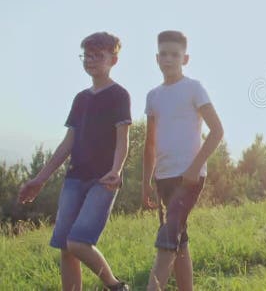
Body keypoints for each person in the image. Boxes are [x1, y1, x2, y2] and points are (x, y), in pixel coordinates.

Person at [18, 32, 132, 291]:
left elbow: (123, 139)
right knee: (65, 248)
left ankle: (115, 286)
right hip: (74, 179)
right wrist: (40, 179)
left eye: (98, 56)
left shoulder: (119, 95)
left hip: (103, 180)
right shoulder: (81, 99)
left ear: (113, 60)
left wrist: (116, 170)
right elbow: (67, 144)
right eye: (87, 55)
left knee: (78, 242)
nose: (91, 61)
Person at [142, 30, 224, 291]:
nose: (168, 59)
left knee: (167, 237)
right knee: (179, 238)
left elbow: (217, 131)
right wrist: (146, 180)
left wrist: (194, 168)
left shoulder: (193, 88)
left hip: (189, 176)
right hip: (163, 176)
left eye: (174, 55)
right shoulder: (153, 96)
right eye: (163, 54)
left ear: (185, 59)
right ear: (156, 58)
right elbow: (150, 144)